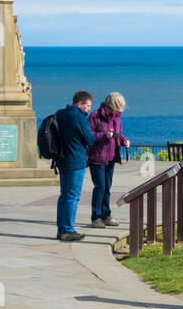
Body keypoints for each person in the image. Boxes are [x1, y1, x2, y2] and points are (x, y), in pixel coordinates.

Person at [55, 90, 94, 241]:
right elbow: (90, 139)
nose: (89, 109)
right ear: (80, 103)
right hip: (76, 160)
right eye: (88, 106)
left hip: (62, 159)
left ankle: (61, 228)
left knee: (64, 195)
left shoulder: (60, 114)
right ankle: (68, 230)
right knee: (73, 196)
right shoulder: (79, 117)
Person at [88, 92, 130, 229]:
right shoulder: (95, 116)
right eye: (118, 106)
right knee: (100, 187)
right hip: (97, 158)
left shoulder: (117, 118)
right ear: (112, 104)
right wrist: (104, 135)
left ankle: (106, 215)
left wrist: (123, 141)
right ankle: (96, 217)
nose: (120, 109)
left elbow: (119, 133)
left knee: (107, 188)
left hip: (111, 158)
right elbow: (89, 136)